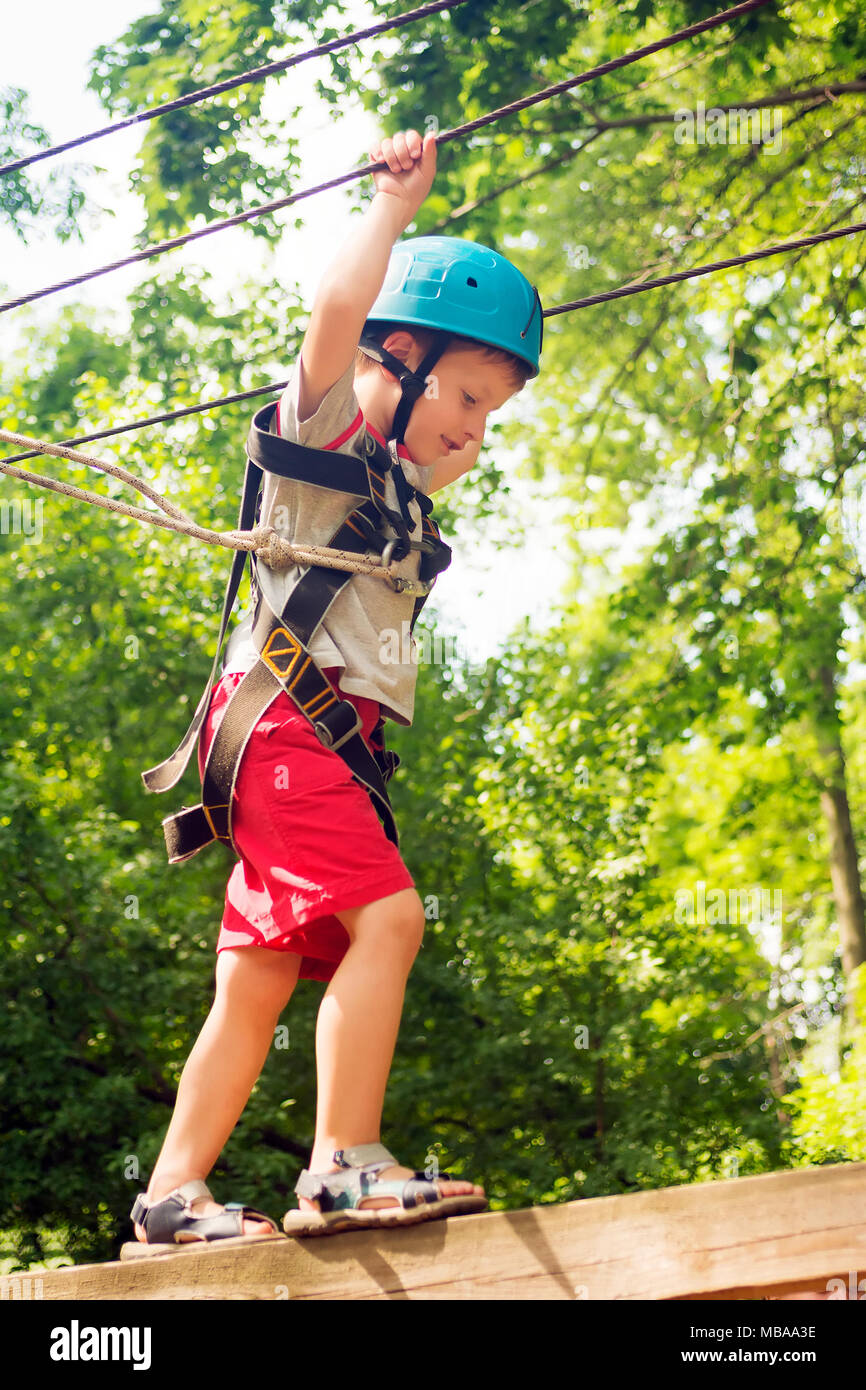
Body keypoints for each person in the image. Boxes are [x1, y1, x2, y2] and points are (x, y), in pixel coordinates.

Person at [130, 127, 542, 1244]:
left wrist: (440, 458)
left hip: (307, 745)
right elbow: (331, 316)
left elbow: (413, 490)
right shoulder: (323, 433)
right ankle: (342, 1163)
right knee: (392, 918)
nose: (473, 428)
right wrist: (392, 210)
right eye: (463, 395)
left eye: (488, 415)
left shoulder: (398, 499)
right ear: (394, 357)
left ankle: (170, 1192)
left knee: (256, 980)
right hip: (287, 734)